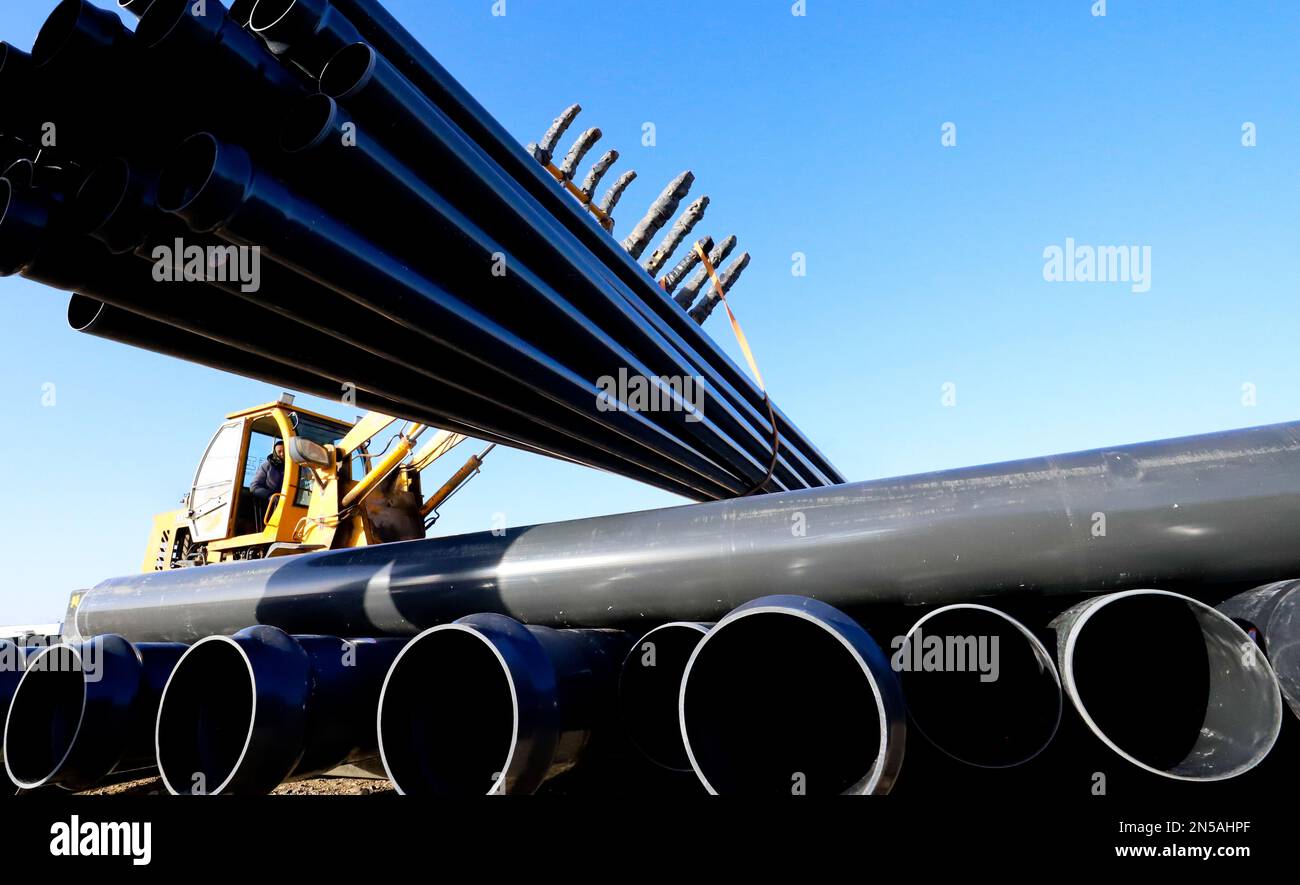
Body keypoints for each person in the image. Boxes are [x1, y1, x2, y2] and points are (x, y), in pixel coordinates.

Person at [249, 439, 286, 504]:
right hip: (268, 504)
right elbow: (254, 487)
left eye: (285, 451)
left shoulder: (297, 467)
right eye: (279, 451)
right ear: (275, 453)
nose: (282, 454)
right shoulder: (266, 466)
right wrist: (270, 496)